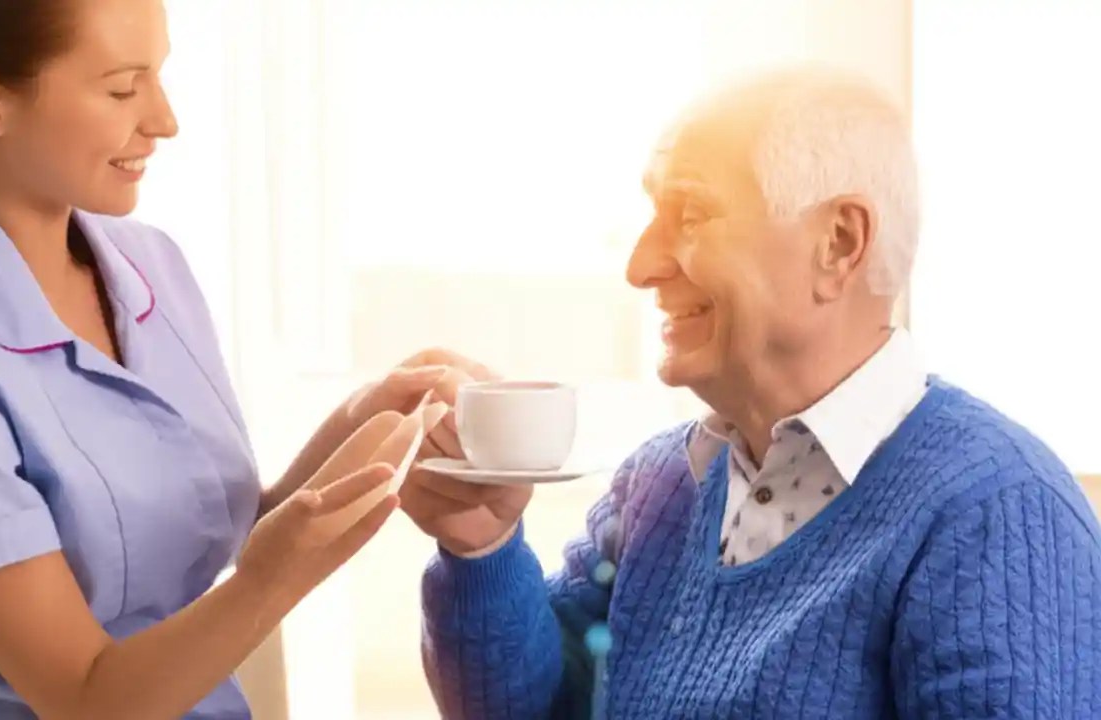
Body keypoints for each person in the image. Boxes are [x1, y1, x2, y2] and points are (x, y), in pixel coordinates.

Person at [0, 0, 489, 717]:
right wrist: (275, 579)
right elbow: (85, 698)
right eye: (122, 87)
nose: (164, 120)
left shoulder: (150, 267)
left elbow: (196, 532)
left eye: (160, 76)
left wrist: (370, 416)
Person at [403, 67, 1101, 718]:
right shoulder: (656, 483)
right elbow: (542, 706)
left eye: (693, 214)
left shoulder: (997, 514)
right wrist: (481, 548)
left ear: (838, 243)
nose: (640, 266)